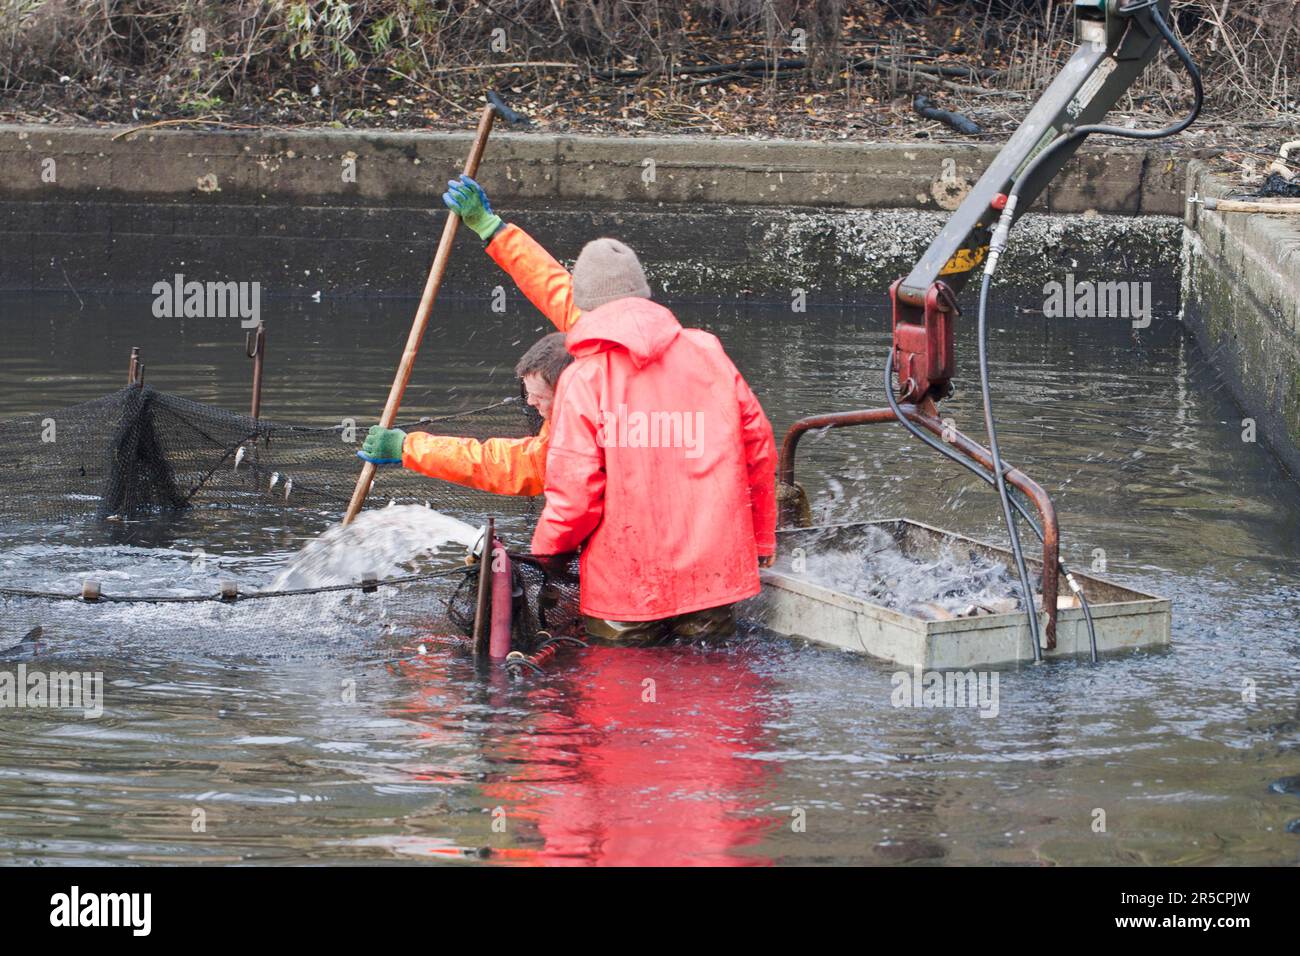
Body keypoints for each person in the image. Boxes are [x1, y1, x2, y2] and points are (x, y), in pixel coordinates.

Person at [438, 175, 777, 645]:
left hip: (627, 587)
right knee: (710, 683)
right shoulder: (708, 352)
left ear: (586, 306)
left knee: (618, 695)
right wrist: (760, 540)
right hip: (714, 577)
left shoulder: (585, 376)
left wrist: (546, 558)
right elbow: (759, 449)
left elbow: (574, 490)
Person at [358, 331, 570, 496]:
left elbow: (508, 465)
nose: (531, 402)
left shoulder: (573, 441)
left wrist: (407, 447)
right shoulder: (583, 403)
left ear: (567, 391)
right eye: (527, 393)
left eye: (539, 396)